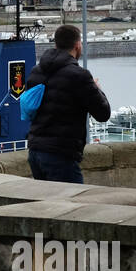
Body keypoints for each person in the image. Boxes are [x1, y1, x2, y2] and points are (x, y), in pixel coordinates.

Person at [24, 24, 110, 183]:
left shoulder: (36, 71)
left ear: (56, 44)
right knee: (74, 204)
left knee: (49, 205)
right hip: (60, 155)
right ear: (77, 45)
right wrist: (97, 88)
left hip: (35, 152)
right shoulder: (80, 76)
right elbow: (103, 114)